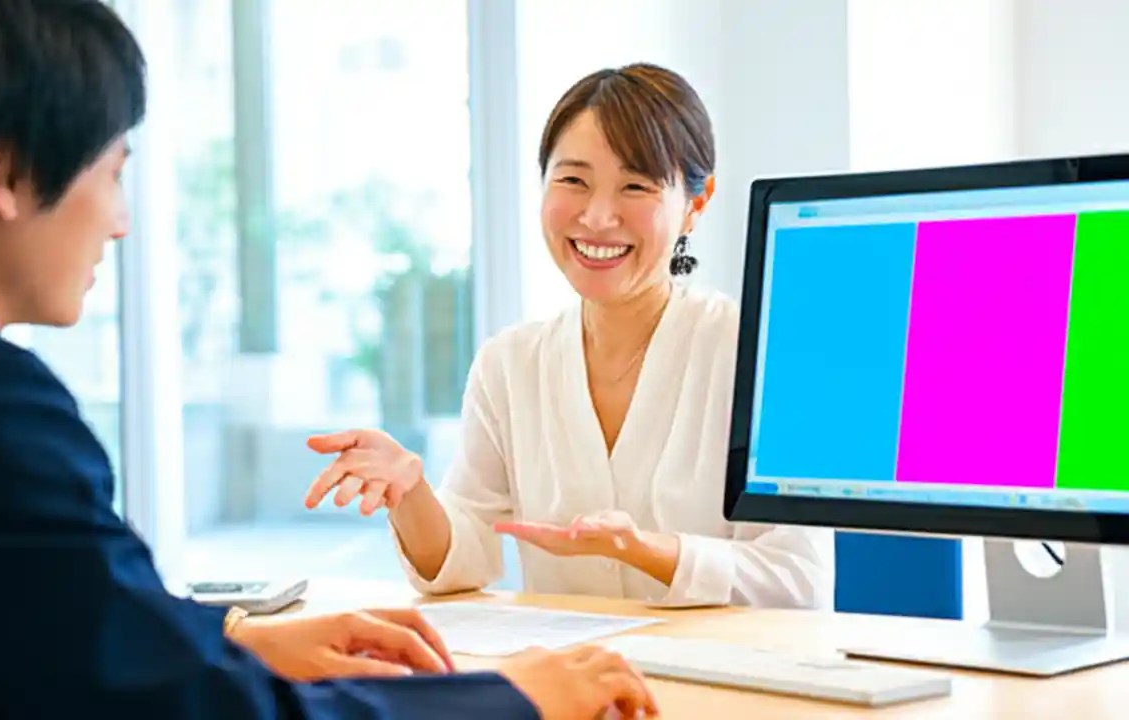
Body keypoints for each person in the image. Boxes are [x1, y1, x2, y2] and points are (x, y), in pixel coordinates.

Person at [0, 1, 657, 718]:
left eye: (635, 188)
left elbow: (44, 616)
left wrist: (236, 638)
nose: (121, 222)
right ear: (9, 175)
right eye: (113, 173)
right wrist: (511, 701)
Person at [306, 63, 834, 609]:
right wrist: (410, 494)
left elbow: (798, 580)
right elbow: (463, 561)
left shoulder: (764, 353)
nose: (598, 216)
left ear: (696, 204)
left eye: (635, 186)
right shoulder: (509, 363)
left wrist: (644, 548)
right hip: (576, 686)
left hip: (735, 682)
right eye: (573, 180)